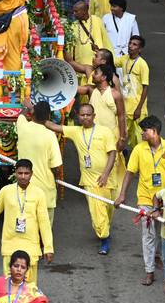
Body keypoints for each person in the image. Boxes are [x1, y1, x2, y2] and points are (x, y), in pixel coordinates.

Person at [42, 101, 120, 254]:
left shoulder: (105, 132)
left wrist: (105, 174)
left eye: (88, 115)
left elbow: (112, 154)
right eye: (82, 115)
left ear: (94, 116)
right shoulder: (76, 131)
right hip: (90, 181)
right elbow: (54, 127)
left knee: (108, 210)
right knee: (97, 211)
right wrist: (37, 115)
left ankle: (105, 230)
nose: (85, 118)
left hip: (108, 179)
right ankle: (104, 240)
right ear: (78, 117)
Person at [118, 116, 165, 285]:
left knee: (163, 231)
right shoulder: (138, 149)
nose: (142, 133)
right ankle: (149, 270)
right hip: (145, 197)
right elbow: (130, 172)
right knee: (148, 234)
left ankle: (157, 256)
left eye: (144, 131)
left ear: (154, 131)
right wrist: (122, 194)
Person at [0, 159, 53, 284]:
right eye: (20, 173)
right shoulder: (6, 191)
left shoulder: (39, 193)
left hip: (31, 245)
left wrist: (48, 248)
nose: (23, 176)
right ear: (15, 173)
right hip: (10, 244)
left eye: (26, 173)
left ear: (31, 174)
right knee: (10, 284)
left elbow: (44, 222)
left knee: (30, 286)